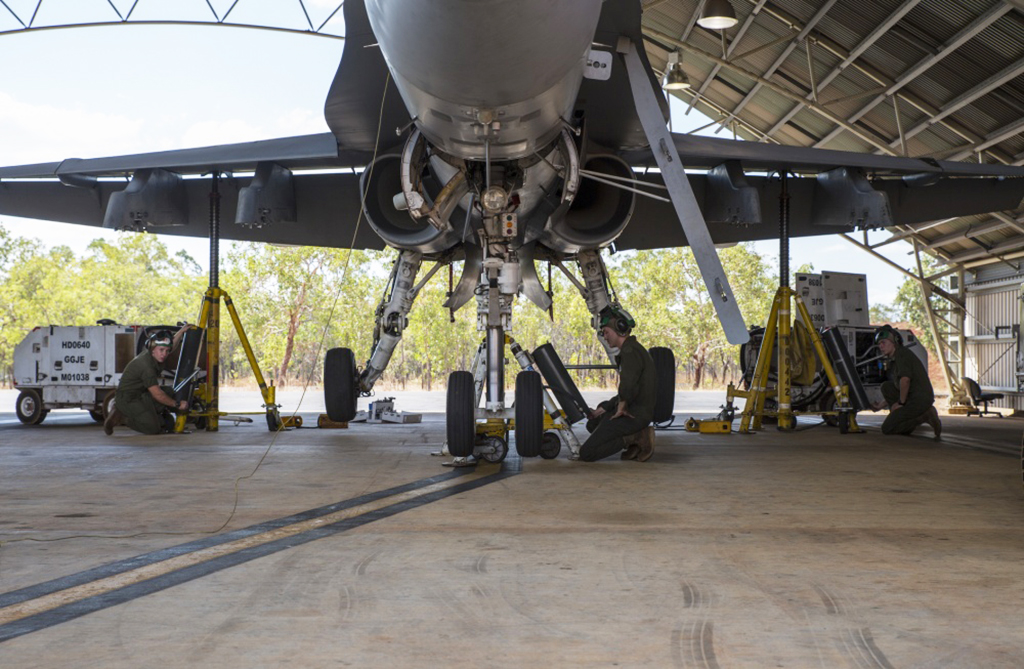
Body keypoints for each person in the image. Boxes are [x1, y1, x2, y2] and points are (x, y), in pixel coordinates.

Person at [579, 306, 658, 462]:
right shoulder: (632, 349)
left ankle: (634, 438)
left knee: (586, 453)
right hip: (636, 409)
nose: (605, 337)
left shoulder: (629, 353)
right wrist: (605, 408)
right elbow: (630, 388)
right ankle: (633, 444)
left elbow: (627, 387)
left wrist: (621, 404)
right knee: (593, 423)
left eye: (606, 332)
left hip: (635, 414)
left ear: (619, 329)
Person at [104, 327, 189, 435]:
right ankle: (121, 417)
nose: (165, 354)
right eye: (161, 350)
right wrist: (177, 405)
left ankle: (155, 416)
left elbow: (171, 346)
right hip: (128, 399)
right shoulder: (146, 365)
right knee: (153, 429)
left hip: (141, 393)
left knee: (168, 391)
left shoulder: (155, 355)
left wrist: (181, 331)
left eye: (166, 351)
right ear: (152, 349)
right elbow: (158, 394)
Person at [870, 325, 941, 439]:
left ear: (894, 342)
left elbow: (905, 380)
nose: (880, 346)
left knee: (887, 428)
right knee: (886, 387)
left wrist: (901, 403)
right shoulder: (895, 358)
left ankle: (924, 416)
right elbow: (897, 386)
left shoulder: (901, 355)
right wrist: (880, 406)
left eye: (883, 342)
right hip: (912, 397)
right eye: (879, 344)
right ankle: (900, 418)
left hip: (919, 400)